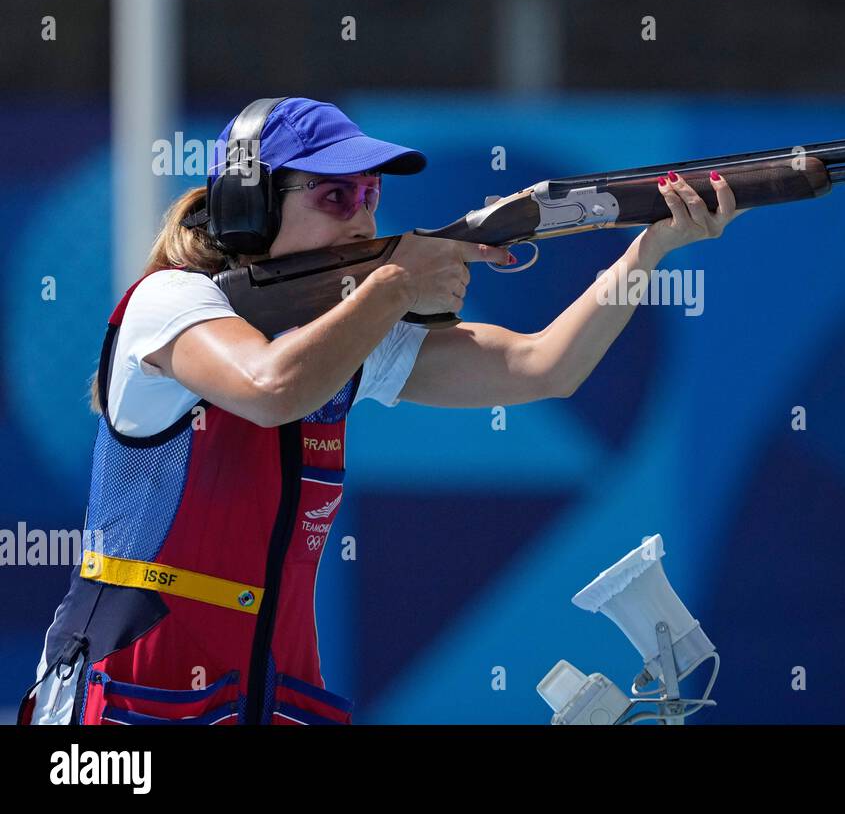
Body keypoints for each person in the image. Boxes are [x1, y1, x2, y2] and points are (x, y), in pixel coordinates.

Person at [18, 97, 740, 725]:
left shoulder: (345, 337)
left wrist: (649, 251)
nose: (364, 216)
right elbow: (274, 390)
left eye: (370, 194)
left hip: (276, 692)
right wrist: (396, 287)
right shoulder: (169, 302)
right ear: (251, 203)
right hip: (142, 688)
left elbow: (544, 368)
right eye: (336, 196)